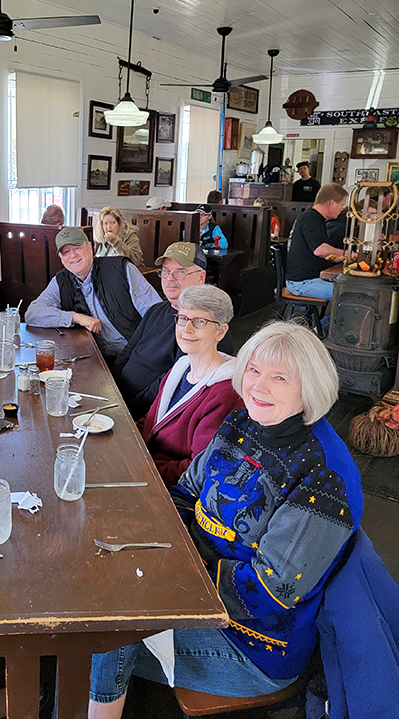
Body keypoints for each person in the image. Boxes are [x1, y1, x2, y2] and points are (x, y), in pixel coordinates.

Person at [89, 321, 363, 717]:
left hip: (254, 644)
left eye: (280, 377)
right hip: (196, 588)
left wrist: (171, 582)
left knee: (110, 628)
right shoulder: (241, 424)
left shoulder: (324, 478)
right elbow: (185, 492)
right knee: (103, 596)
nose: (258, 386)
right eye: (253, 370)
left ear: (311, 388)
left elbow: (271, 590)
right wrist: (158, 558)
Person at [112, 243, 233, 419]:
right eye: (166, 271)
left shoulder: (205, 329)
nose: (170, 278)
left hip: (142, 413)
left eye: (180, 272)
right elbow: (128, 352)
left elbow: (172, 382)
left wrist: (127, 410)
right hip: (117, 399)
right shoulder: (156, 310)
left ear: (201, 277)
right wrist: (111, 387)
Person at [141, 286, 242, 486]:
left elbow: (200, 467)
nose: (187, 329)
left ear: (220, 332)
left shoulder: (225, 393)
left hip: (170, 486)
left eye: (200, 322)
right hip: (145, 462)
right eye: (182, 318)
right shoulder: (180, 369)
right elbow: (150, 421)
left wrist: (143, 469)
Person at [25, 227, 161, 363]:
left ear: (90, 247)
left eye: (77, 248)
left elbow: (157, 315)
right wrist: (75, 317)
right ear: (61, 258)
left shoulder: (121, 269)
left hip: (135, 355)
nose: (72, 255)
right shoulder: (61, 281)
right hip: (93, 357)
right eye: (66, 252)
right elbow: (32, 313)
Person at [286, 183, 347, 301]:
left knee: (350, 292)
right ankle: (326, 321)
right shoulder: (310, 218)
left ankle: (327, 320)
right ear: (332, 202)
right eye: (342, 204)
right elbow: (320, 250)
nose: (342, 209)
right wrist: (346, 254)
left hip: (308, 279)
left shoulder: (315, 217)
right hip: (302, 283)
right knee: (350, 295)